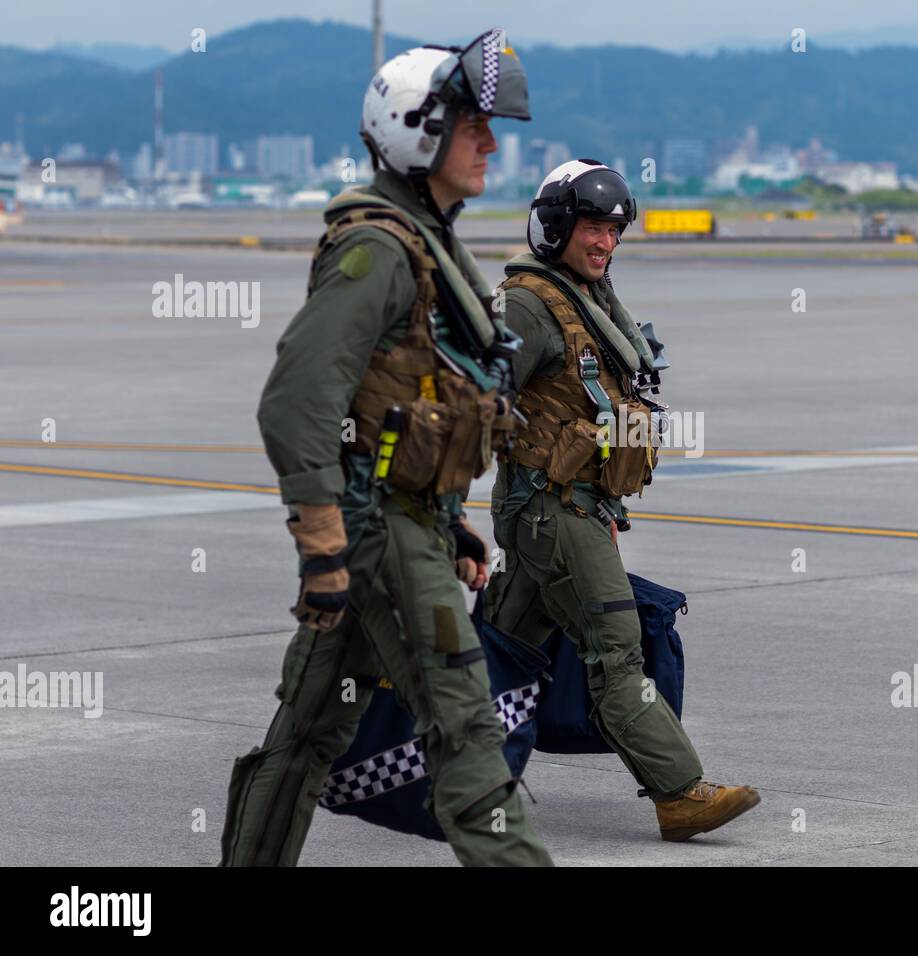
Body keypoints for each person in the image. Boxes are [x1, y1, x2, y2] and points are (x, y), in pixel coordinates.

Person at [219, 31, 551, 866]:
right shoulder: (377, 250)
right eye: (473, 125)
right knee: (468, 726)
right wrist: (325, 542)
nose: (491, 142)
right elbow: (296, 401)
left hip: (402, 525)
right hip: (381, 536)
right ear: (418, 130)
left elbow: (409, 401)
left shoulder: (423, 238)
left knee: (308, 730)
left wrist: (451, 520)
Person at [483, 159, 760, 842]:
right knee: (616, 647)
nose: (604, 242)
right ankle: (679, 792)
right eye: (591, 228)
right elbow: (473, 400)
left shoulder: (592, 300)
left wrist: (606, 510)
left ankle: (446, 770)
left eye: (613, 230)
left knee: (503, 650)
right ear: (554, 228)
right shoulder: (527, 304)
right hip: (551, 510)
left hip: (578, 509)